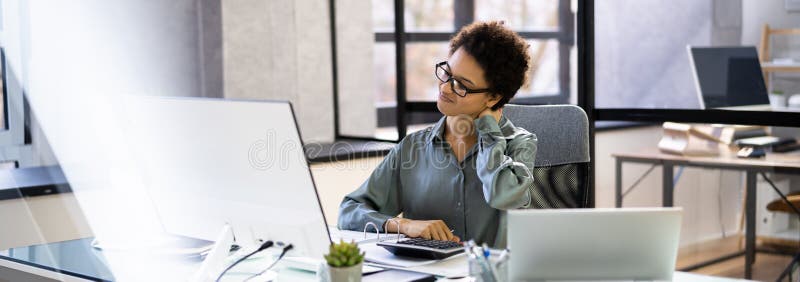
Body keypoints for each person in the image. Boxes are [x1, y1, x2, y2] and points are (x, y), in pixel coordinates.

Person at [338, 21, 536, 248]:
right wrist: (403, 225)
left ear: (493, 97)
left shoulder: (520, 144)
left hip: (487, 268)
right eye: (446, 73)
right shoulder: (412, 147)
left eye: (461, 85)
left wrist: (489, 131)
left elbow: (502, 195)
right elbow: (349, 211)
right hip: (426, 268)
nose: (445, 88)